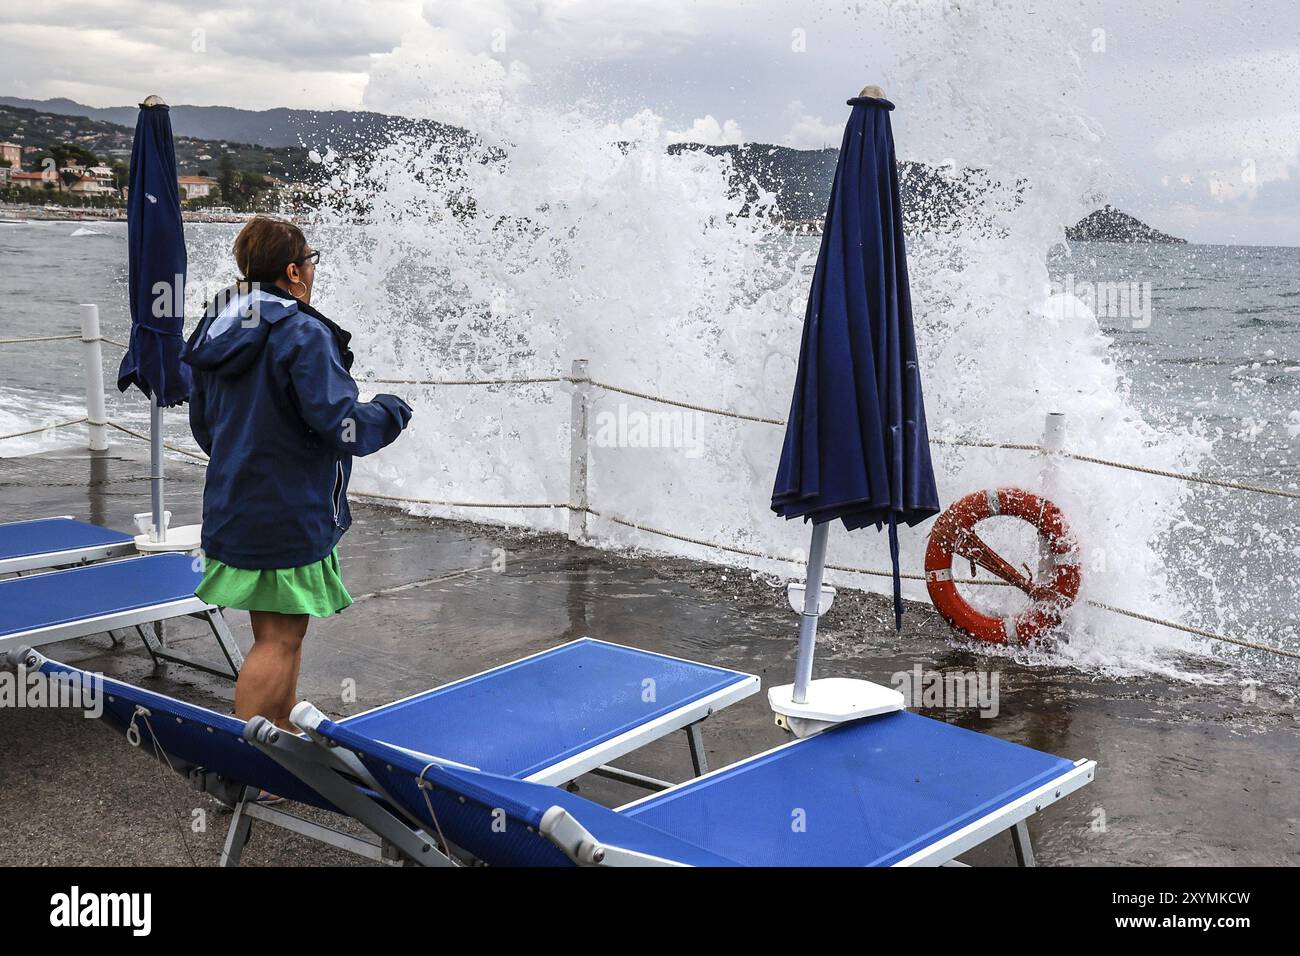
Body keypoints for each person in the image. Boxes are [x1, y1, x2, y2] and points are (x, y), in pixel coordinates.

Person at [183, 216, 412, 732]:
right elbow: (342, 424)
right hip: (287, 507)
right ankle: (252, 765)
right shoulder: (300, 331)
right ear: (293, 270)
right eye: (310, 261)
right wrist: (391, 410)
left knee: (279, 632)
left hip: (234, 499)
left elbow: (205, 425)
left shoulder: (220, 322)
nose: (312, 271)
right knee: (278, 639)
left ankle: (280, 731)